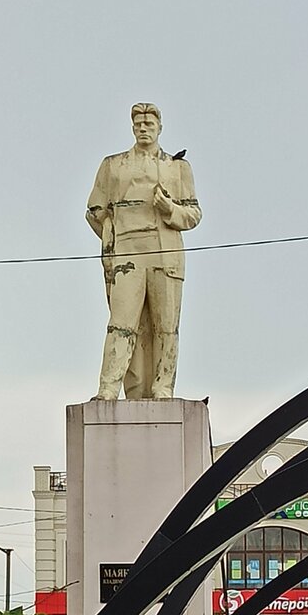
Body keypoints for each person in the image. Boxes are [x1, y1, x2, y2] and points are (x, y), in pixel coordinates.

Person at [86, 103, 202, 400]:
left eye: (149, 123)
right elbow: (95, 211)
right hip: (127, 251)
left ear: (159, 128)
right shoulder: (113, 165)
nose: (143, 128)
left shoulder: (177, 167)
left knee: (165, 325)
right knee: (121, 322)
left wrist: (169, 208)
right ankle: (109, 388)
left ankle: (163, 388)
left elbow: (193, 215)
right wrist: (115, 239)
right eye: (138, 123)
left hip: (165, 251)